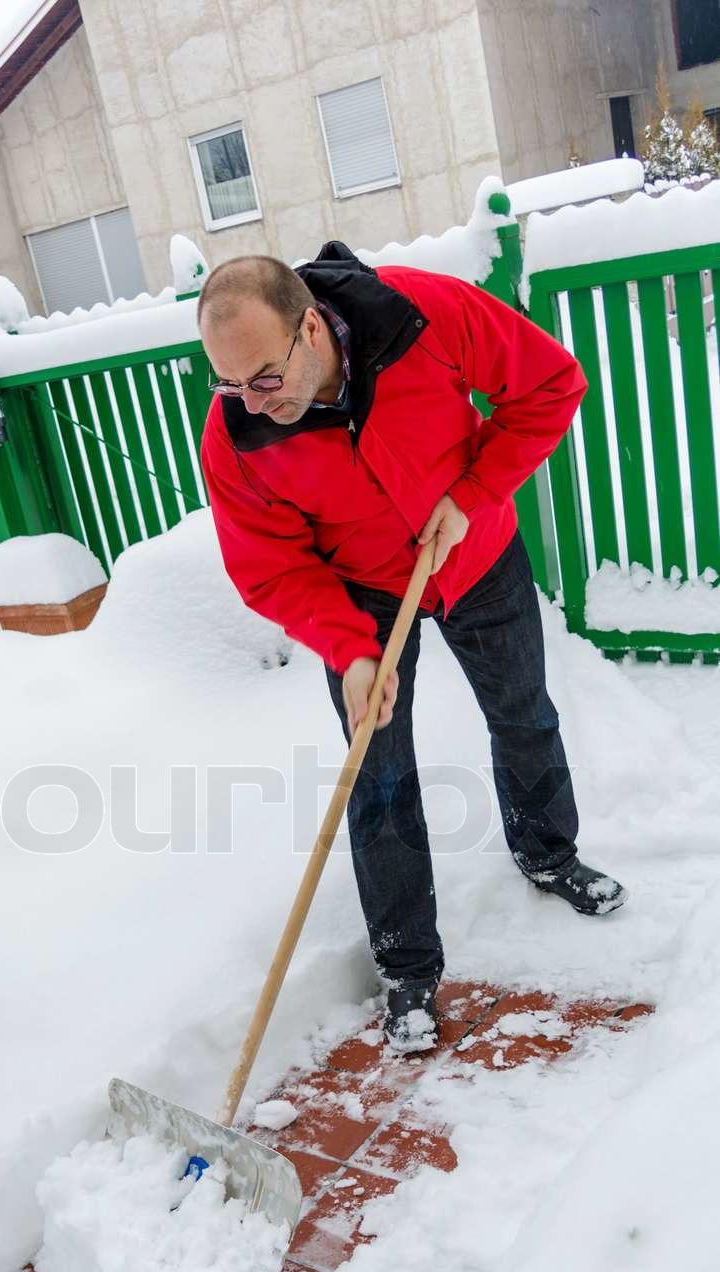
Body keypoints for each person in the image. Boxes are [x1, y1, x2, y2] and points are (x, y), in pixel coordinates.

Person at [198, 245, 626, 1052]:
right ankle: (406, 965)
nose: (252, 402)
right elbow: (270, 567)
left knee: (522, 712)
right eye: (228, 383)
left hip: (472, 552)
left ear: (312, 327)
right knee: (378, 771)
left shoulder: (421, 316)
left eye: (263, 375)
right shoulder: (239, 436)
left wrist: (471, 494)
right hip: (358, 591)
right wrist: (350, 651)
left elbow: (549, 384)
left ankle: (547, 852)